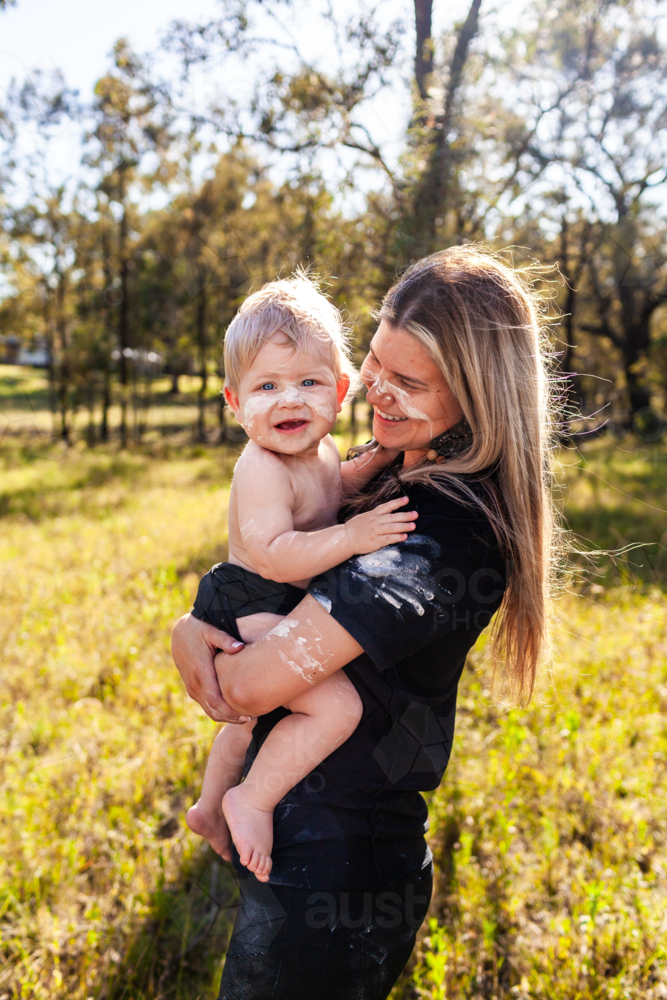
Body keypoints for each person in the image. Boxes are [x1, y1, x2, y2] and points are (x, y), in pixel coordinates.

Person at [172, 245, 558, 1000]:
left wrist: (201, 646)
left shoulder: (443, 525)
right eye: (377, 361)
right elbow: (271, 557)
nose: (376, 389)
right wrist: (194, 619)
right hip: (299, 842)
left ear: (476, 397)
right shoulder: (390, 463)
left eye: (409, 381)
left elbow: (252, 686)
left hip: (341, 871)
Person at [186, 274, 418, 881]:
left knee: (250, 722)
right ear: (235, 403)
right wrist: (354, 537)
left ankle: (209, 807)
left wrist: (377, 461)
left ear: (340, 392)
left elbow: (330, 489)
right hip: (254, 593)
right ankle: (249, 799)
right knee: (335, 708)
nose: (290, 400)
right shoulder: (261, 467)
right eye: (267, 386)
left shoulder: (318, 452)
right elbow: (274, 553)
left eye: (309, 383)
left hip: (275, 596)